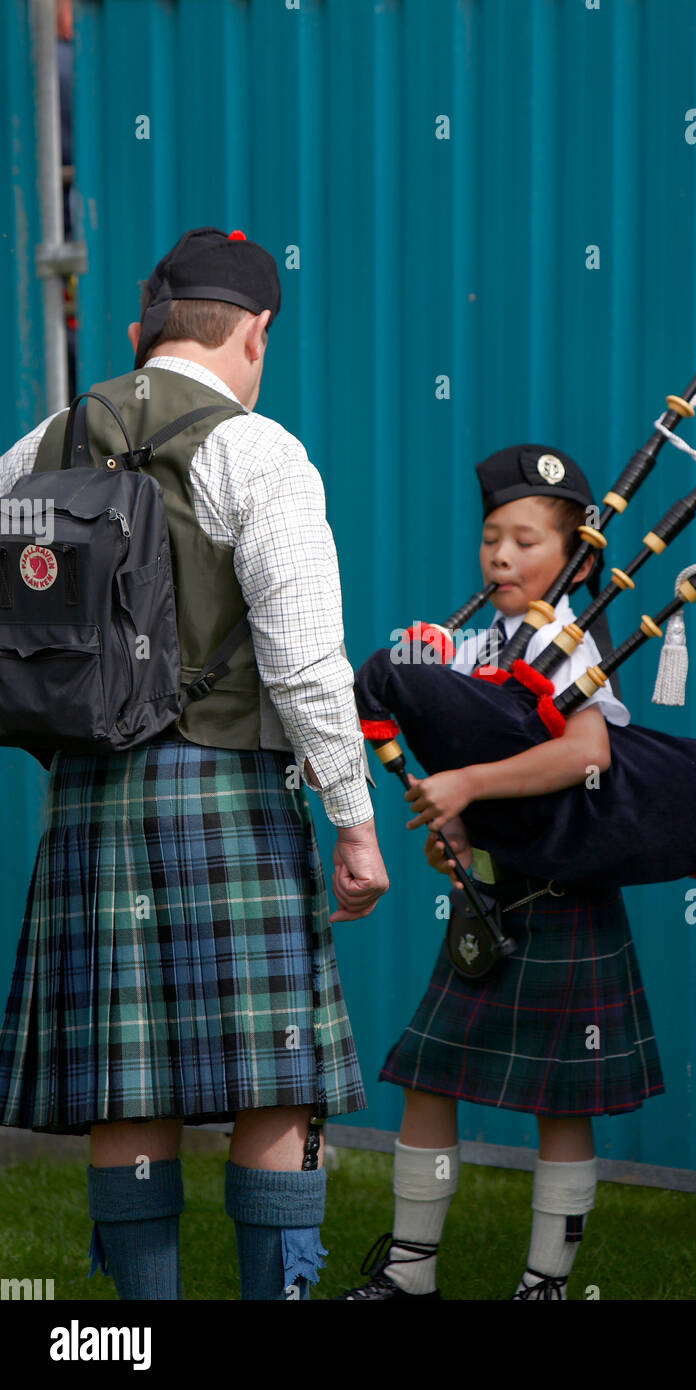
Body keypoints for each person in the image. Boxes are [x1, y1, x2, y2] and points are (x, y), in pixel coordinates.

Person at [0, 226, 389, 1300]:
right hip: (226, 797)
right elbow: (307, 662)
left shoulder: (36, 449)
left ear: (142, 330)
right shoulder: (258, 451)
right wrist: (353, 820)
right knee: (273, 1082)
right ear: (257, 331)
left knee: (128, 1089)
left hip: (85, 802)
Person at [337, 445, 665, 1301]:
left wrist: (467, 784)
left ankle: (543, 1285)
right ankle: (409, 1275)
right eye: (491, 540)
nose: (502, 558)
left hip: (563, 896)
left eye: (525, 541)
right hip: (485, 897)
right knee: (428, 1075)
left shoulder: (580, 642)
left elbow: (586, 752)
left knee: (562, 1101)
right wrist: (448, 824)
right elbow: (447, 750)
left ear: (578, 560)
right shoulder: (478, 644)